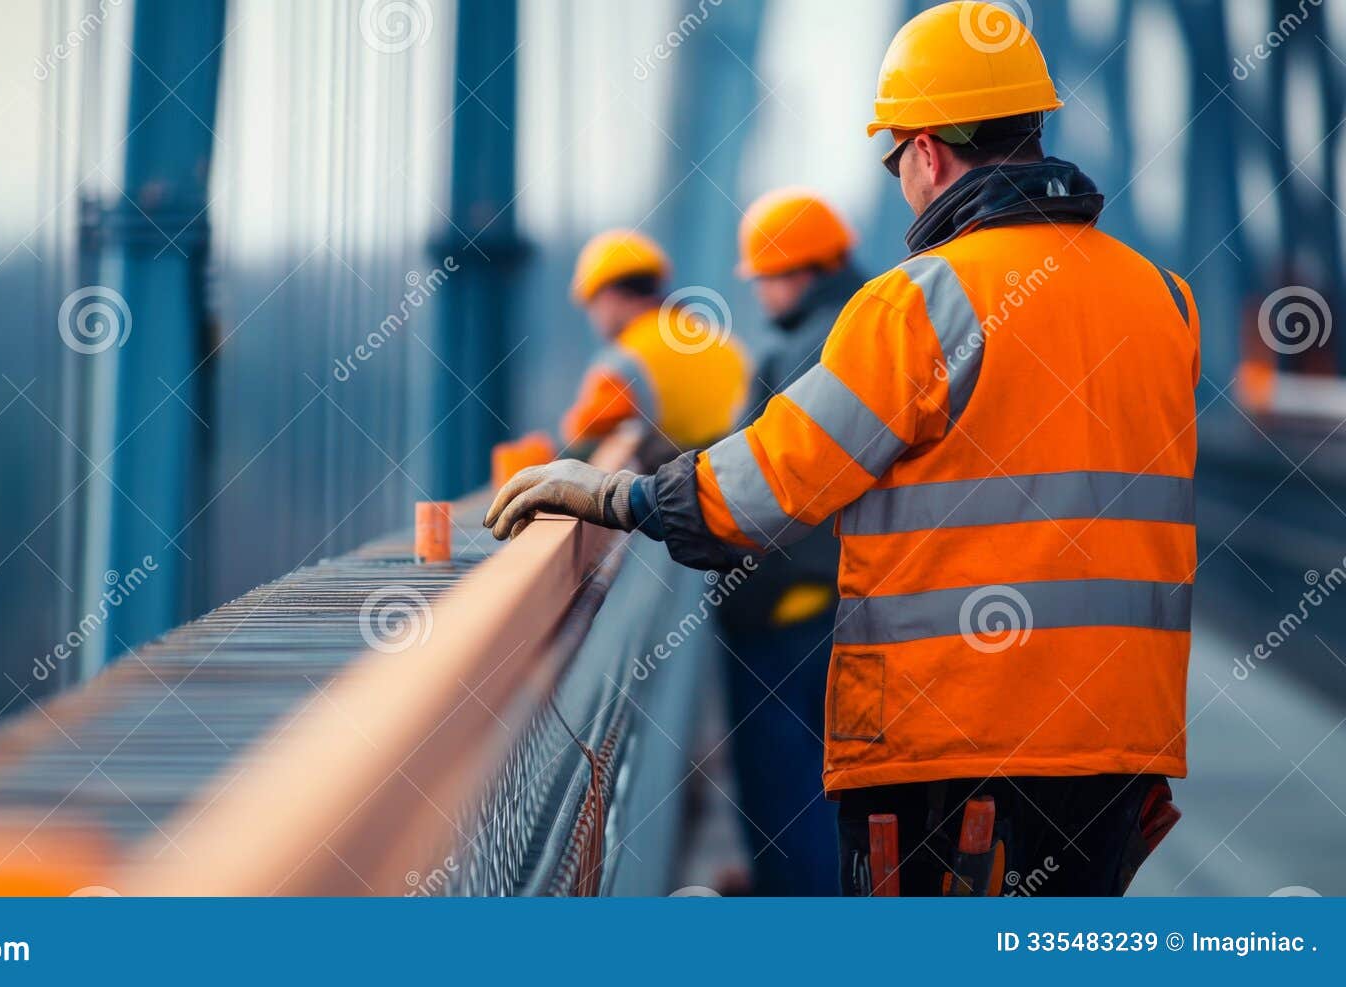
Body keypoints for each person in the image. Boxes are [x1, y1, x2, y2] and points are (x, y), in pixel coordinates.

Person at [486, 0, 1195, 896]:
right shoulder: (1163, 300)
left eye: (898, 158)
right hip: (1119, 744)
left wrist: (619, 496)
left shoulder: (922, 301)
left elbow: (773, 479)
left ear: (927, 153)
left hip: (957, 747)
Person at [717, 189, 864, 895]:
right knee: (832, 784)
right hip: (839, 593)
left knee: (785, 784)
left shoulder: (811, 345)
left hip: (796, 601)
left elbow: (778, 475)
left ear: (798, 271)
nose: (763, 293)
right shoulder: (858, 324)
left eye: (765, 277)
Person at [558, 229, 750, 469]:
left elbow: (581, 433)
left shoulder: (623, 361)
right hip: (734, 480)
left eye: (592, 304)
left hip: (679, 493)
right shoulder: (723, 342)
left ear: (608, 296)